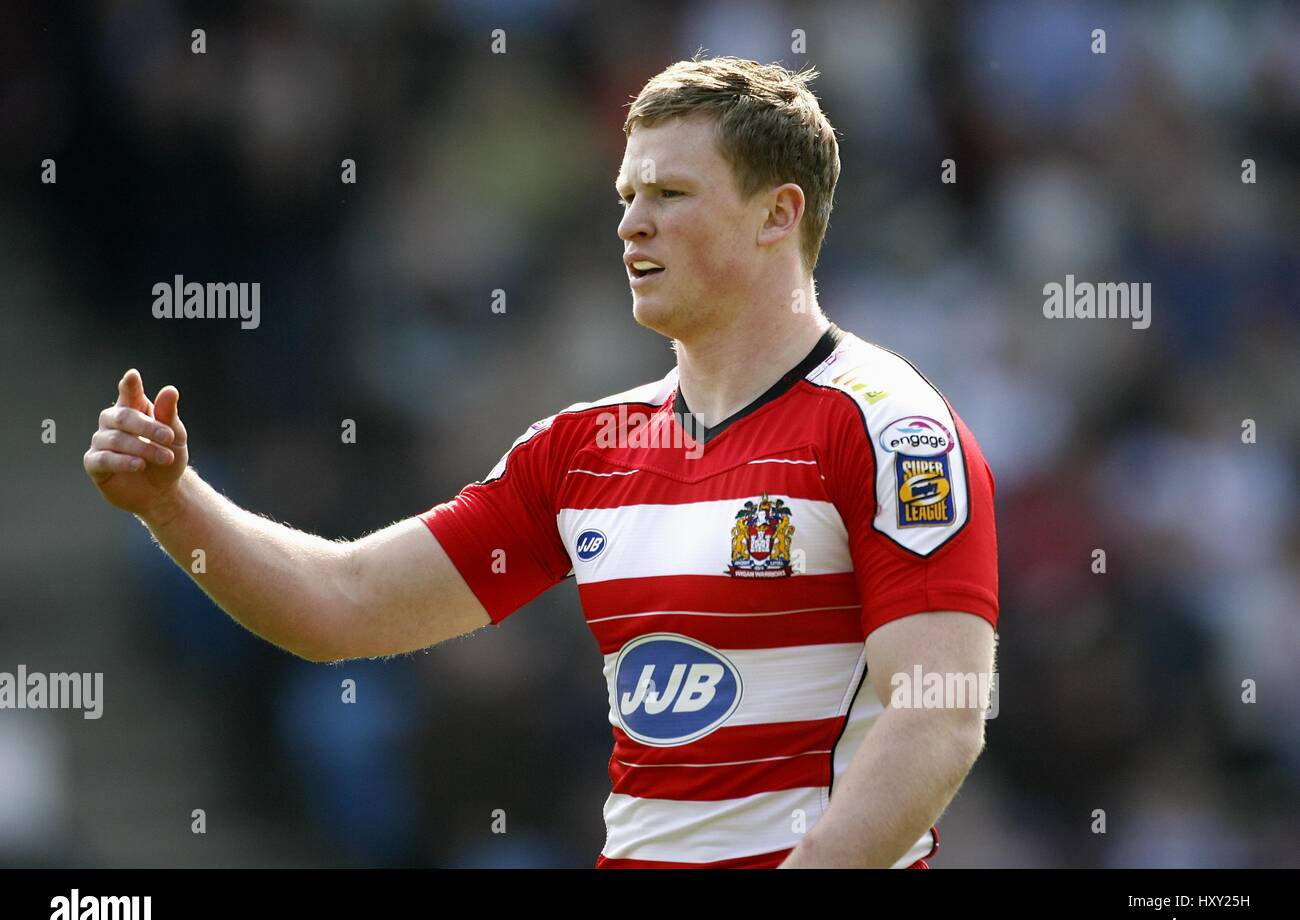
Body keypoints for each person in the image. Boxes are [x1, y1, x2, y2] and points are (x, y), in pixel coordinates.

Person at [84, 56, 998, 869]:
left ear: (777, 214)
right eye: (625, 198)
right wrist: (173, 502)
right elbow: (344, 604)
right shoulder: (583, 450)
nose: (633, 226)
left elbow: (942, 712)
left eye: (670, 195)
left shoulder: (887, 429)